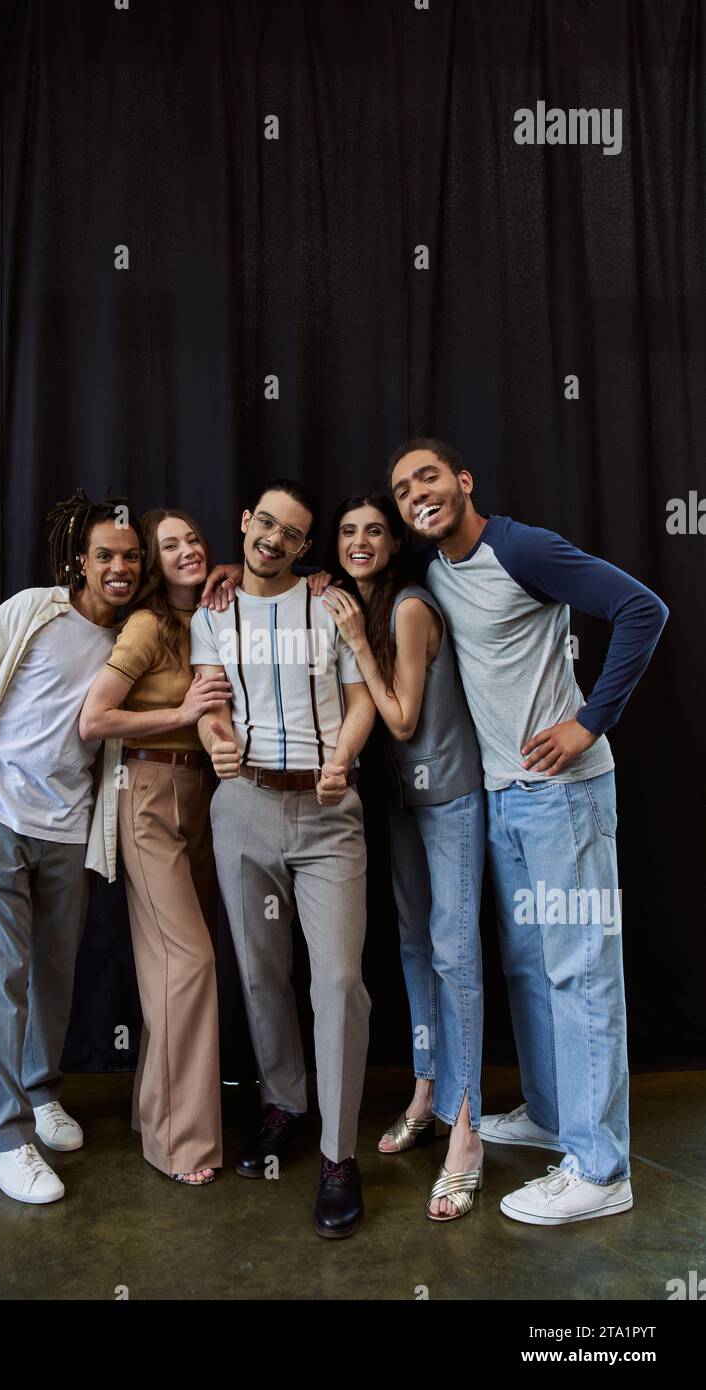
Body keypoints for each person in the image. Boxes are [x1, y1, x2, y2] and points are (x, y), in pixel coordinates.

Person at [389, 437, 669, 1225]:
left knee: (581, 973)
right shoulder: (438, 576)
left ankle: (602, 1168)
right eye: (405, 490)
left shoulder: (521, 547)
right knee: (528, 970)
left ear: (463, 481)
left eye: (430, 478)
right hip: (504, 800)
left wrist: (587, 723)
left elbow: (643, 609)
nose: (418, 495)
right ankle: (553, 1118)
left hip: (566, 797)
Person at [0, 492, 140, 1204]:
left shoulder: (132, 638)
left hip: (66, 828)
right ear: (79, 559)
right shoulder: (30, 612)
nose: (120, 567)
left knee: (53, 973)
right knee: (1, 976)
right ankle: (3, 1139)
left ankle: (41, 1092)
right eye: (105, 554)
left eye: (131, 556)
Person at [190, 480, 376, 1238]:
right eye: (264, 522)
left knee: (336, 979)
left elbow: (363, 699)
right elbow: (210, 702)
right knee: (261, 972)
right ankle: (285, 1105)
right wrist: (215, 743)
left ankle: (339, 1154)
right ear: (245, 522)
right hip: (243, 809)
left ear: (306, 549)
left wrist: (344, 757)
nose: (272, 539)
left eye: (291, 533)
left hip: (329, 813)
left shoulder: (330, 605)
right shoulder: (215, 609)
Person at [317, 493, 485, 1220]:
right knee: (415, 948)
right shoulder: (347, 599)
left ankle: (468, 1132)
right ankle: (426, 1093)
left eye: (374, 532)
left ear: (393, 545)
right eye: (349, 532)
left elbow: (405, 718)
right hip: (400, 802)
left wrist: (357, 641)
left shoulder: (408, 606)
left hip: (448, 795)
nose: (361, 542)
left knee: (454, 954)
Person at [79, 509, 233, 1187]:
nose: (186, 550)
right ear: (152, 563)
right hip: (146, 790)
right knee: (188, 963)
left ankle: (155, 1112)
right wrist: (183, 714)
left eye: (193, 539)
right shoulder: (146, 625)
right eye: (168, 545)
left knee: (174, 968)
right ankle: (182, 1146)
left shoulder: (212, 614)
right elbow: (94, 717)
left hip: (201, 796)